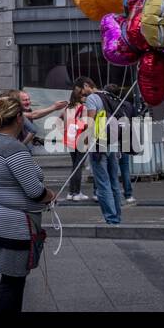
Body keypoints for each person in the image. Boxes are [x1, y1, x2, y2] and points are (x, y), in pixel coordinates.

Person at [0, 92, 55, 312]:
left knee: (8, 281)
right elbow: (35, 191)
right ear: (20, 119)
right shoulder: (14, 149)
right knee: (13, 283)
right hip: (15, 225)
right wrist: (49, 195)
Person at [83, 80, 124, 226]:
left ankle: (111, 218)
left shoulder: (93, 98)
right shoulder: (113, 99)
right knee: (114, 182)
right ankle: (117, 216)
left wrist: (86, 140)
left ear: (86, 86)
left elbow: (91, 120)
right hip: (113, 144)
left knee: (102, 183)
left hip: (99, 144)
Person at [61, 86, 90, 201]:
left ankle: (71, 192)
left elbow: (63, 121)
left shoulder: (67, 108)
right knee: (78, 166)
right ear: (78, 96)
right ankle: (77, 193)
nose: (85, 98)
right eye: (83, 95)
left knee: (74, 166)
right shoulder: (83, 108)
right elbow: (85, 125)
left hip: (70, 139)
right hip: (80, 139)